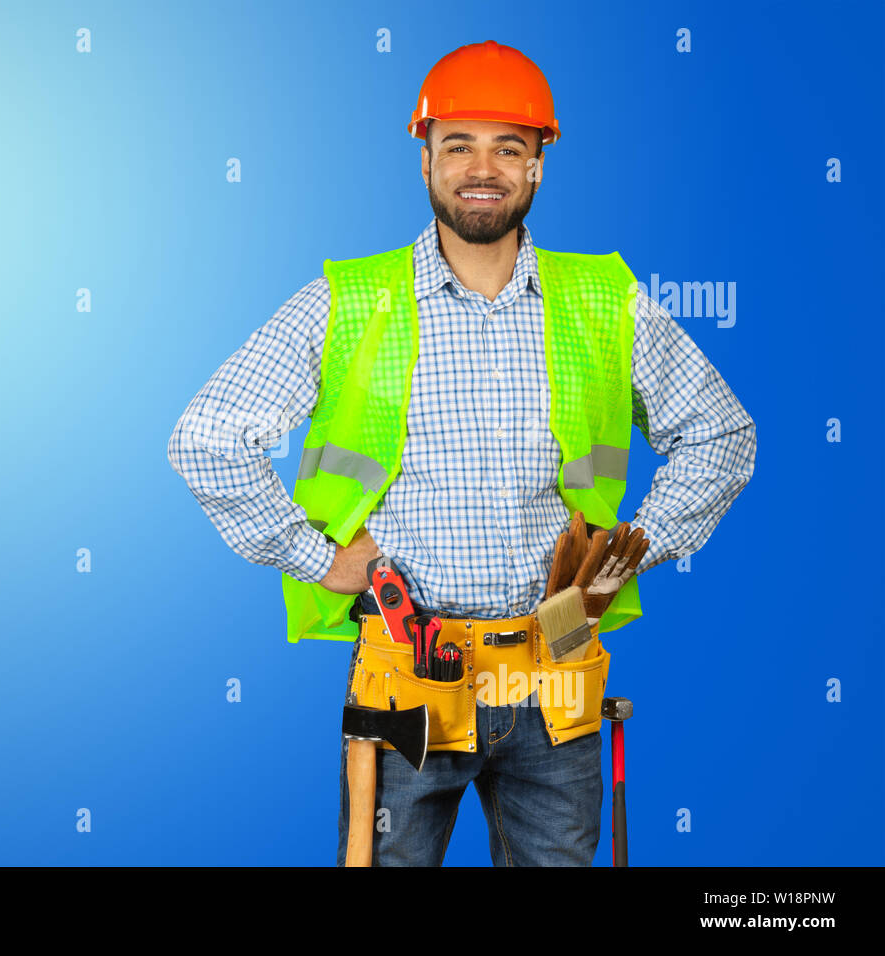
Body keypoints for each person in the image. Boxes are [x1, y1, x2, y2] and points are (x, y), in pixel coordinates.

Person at [168, 40, 756, 866]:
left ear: (539, 165)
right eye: (459, 145)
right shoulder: (352, 300)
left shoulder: (603, 300)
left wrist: (623, 561)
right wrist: (314, 555)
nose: (483, 168)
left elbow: (723, 437)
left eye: (508, 147)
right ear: (426, 160)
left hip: (554, 669)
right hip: (407, 675)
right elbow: (205, 437)